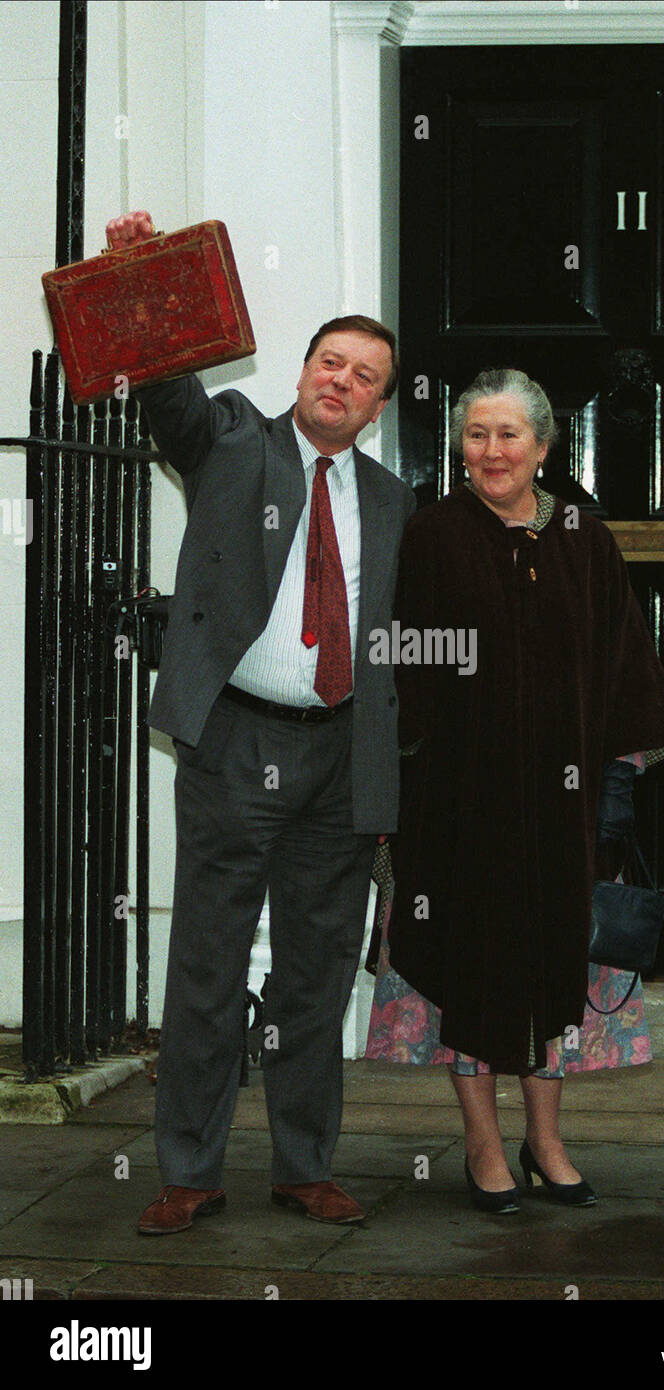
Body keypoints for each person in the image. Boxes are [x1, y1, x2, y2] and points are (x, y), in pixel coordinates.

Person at [104, 211, 416, 1233]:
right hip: (237, 745)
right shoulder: (233, 438)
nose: (340, 380)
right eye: (329, 361)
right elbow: (170, 404)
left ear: (378, 402)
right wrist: (143, 275)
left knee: (315, 977)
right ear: (303, 369)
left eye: (363, 373)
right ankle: (189, 1169)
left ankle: (302, 1164)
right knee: (206, 963)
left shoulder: (393, 499)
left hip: (341, 755)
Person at [365, 368, 664, 1213]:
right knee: (473, 965)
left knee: (557, 965)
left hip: (565, 806)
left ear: (544, 446)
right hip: (459, 804)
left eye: (510, 434)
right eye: (476, 434)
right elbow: (409, 666)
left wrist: (615, 782)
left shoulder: (583, 536)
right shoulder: (436, 533)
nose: (492, 451)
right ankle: (482, 1146)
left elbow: (624, 663)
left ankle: (546, 1142)